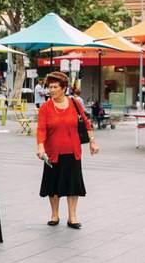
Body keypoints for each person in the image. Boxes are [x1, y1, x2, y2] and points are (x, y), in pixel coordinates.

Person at [36, 71, 98, 230]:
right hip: (52, 152)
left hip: (72, 151)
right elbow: (41, 129)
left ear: (63, 88)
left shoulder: (75, 103)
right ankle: (55, 214)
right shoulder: (45, 108)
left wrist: (92, 142)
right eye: (50, 87)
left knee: (73, 184)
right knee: (53, 184)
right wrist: (41, 146)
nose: (51, 90)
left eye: (55, 87)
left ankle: (72, 216)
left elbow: (86, 123)